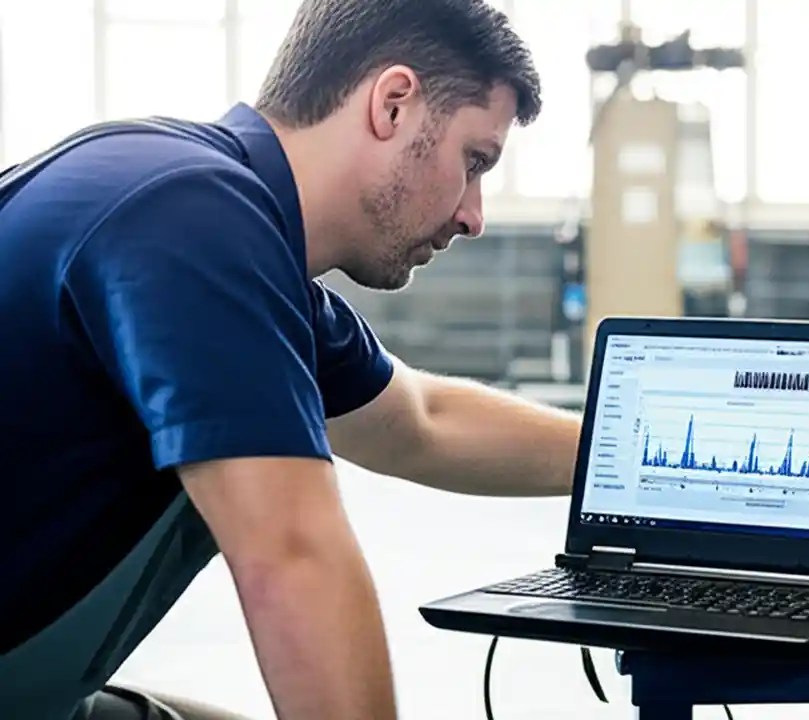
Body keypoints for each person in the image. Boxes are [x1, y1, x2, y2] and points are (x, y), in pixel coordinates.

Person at [0, 1, 581, 718]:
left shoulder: (221, 229)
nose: (474, 214)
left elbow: (422, 422)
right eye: (473, 162)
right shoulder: (190, 217)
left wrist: (640, 470)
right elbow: (292, 556)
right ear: (393, 103)